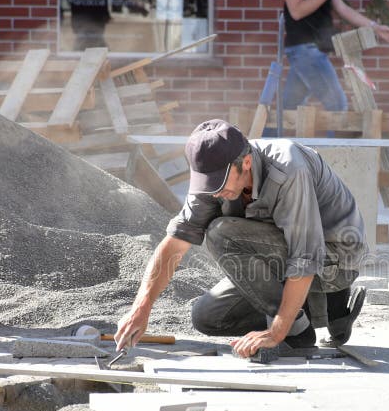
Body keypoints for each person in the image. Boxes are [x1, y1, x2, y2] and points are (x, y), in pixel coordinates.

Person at [114, 119, 368, 357]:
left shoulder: (290, 170)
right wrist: (142, 307)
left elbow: (305, 256)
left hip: (333, 259)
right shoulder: (213, 182)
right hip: (284, 254)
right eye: (207, 183)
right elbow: (176, 242)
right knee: (207, 317)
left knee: (220, 234)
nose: (213, 191)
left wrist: (276, 331)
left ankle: (299, 330)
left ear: (246, 162)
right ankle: (324, 311)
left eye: (220, 182)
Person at [282, 0, 389, 112]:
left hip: (310, 50)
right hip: (305, 50)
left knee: (288, 109)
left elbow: (343, 9)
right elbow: (296, 12)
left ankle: (266, 132)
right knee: (337, 105)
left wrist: (375, 27)